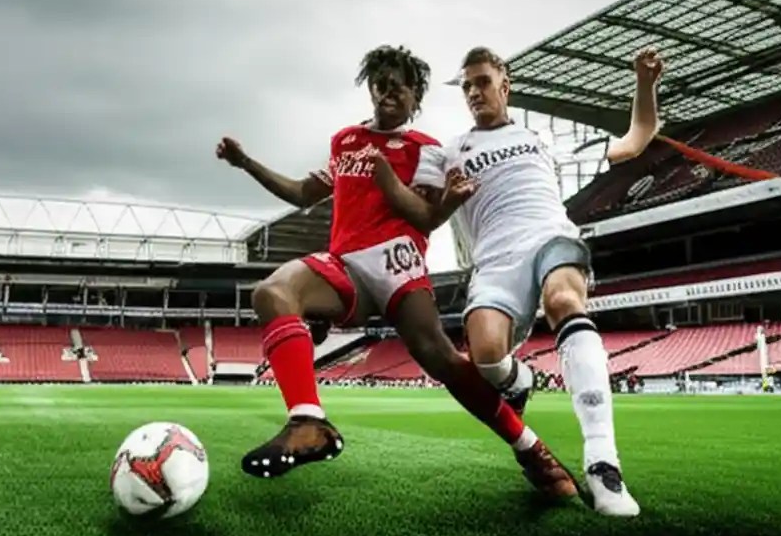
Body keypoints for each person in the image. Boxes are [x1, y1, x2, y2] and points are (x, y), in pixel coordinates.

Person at [216, 44, 577, 499]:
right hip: (346, 263)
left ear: (415, 97)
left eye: (399, 88)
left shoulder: (425, 149)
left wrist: (423, 192)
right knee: (271, 293)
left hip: (397, 264)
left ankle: (531, 449)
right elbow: (303, 193)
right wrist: (246, 163)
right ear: (370, 88)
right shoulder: (345, 141)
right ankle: (308, 421)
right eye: (380, 85)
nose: (388, 94)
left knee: (442, 358)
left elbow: (428, 217)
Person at [369, 45, 664, 517]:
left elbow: (636, 137)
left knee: (564, 300)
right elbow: (420, 210)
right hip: (494, 260)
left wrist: (644, 84)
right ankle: (520, 380)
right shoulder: (447, 152)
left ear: (504, 85)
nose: (473, 92)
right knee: (485, 356)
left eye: (482, 82)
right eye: (467, 86)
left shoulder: (542, 139)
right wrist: (386, 177)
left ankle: (602, 463)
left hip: (550, 236)